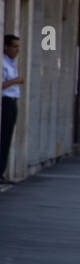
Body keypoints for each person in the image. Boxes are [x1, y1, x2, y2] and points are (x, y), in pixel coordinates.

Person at [1, 34, 22, 184]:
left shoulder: (11, 63)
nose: (17, 50)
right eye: (14, 46)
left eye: (18, 47)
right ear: (6, 47)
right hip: (6, 101)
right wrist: (16, 80)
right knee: (3, 137)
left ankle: (2, 170)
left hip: (13, 102)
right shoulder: (3, 62)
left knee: (8, 138)